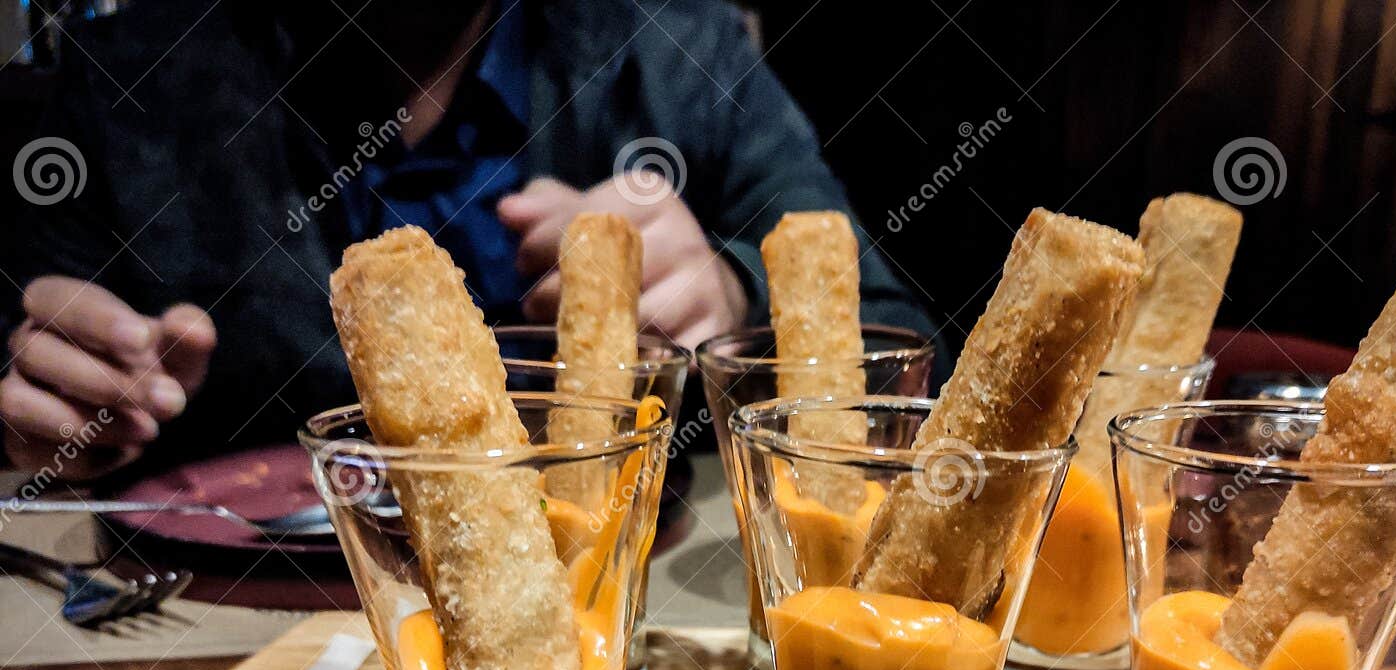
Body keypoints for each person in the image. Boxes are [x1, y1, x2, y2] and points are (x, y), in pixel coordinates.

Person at [2, 0, 933, 481]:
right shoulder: (131, 77)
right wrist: (44, 404)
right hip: (217, 627)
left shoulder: (681, 54)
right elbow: (27, 357)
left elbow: (902, 349)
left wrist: (732, 300)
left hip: (615, 619)